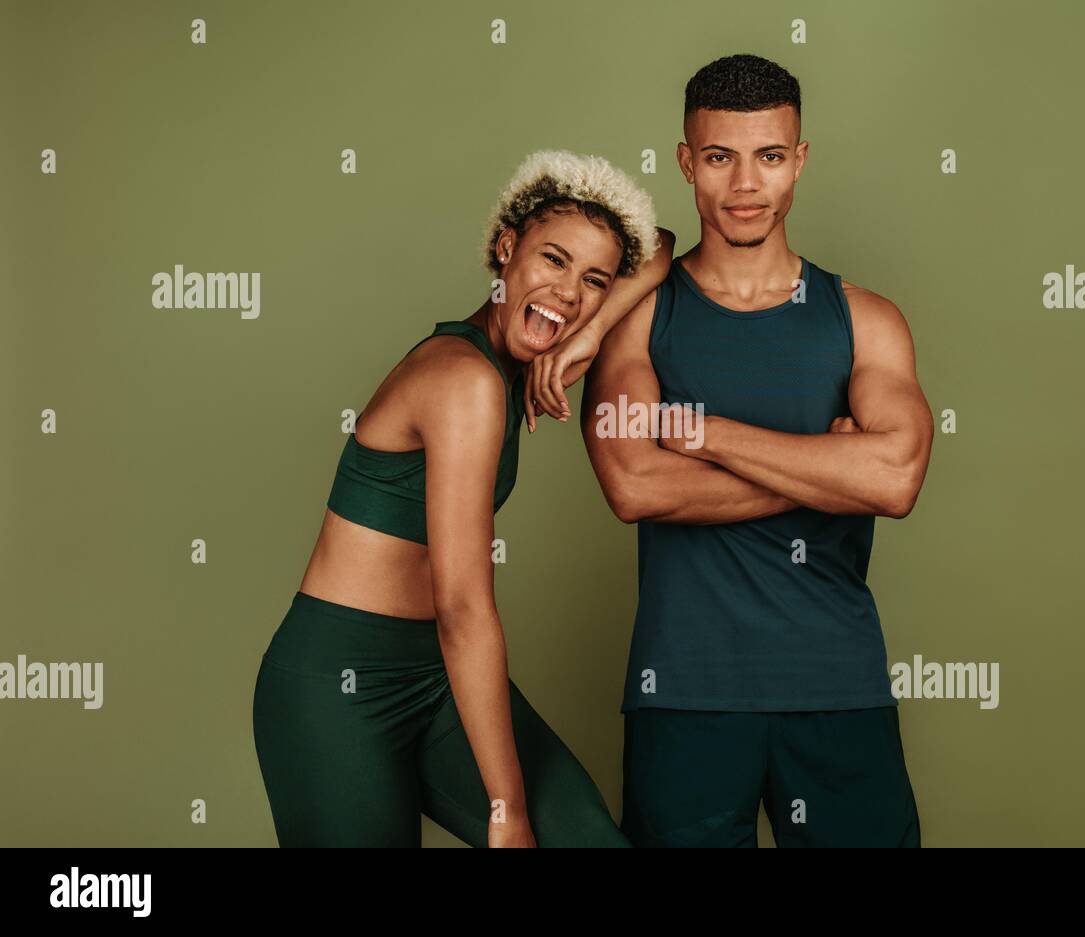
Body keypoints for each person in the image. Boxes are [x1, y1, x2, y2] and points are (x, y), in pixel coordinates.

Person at [253, 149, 674, 847]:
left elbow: (658, 248)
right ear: (505, 248)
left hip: (436, 674)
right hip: (336, 686)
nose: (569, 293)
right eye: (553, 260)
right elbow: (462, 606)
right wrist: (506, 808)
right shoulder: (464, 380)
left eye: (593, 279)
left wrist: (594, 331)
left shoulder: (509, 361)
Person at [581, 54, 933, 847]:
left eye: (769, 156)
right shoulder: (636, 318)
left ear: (799, 160)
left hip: (840, 688)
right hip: (682, 691)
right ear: (685, 161)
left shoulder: (865, 319)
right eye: (719, 157)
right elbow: (635, 482)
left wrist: (703, 432)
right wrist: (828, 468)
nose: (745, 184)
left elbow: (896, 474)